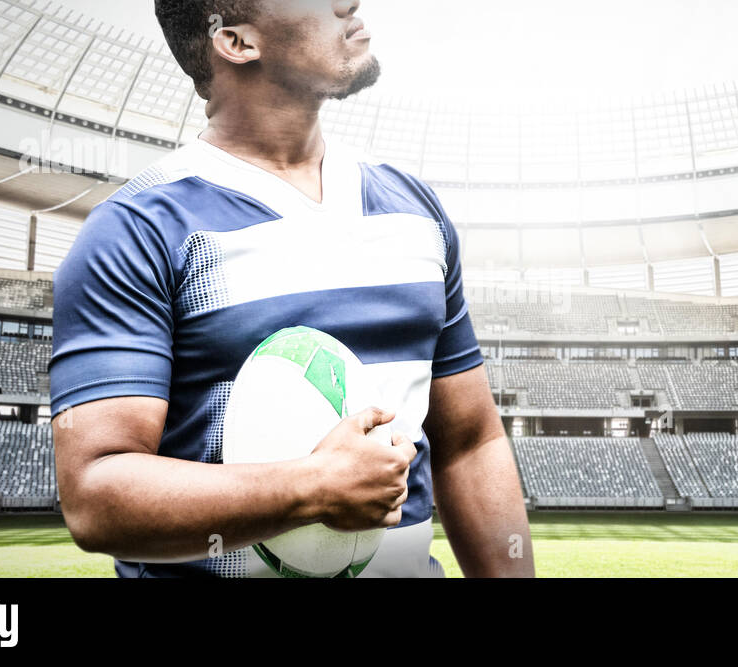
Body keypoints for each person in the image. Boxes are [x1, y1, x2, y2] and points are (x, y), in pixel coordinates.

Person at [49, 0, 532, 578]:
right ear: (237, 42)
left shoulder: (414, 208)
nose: (348, 3)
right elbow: (96, 497)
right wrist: (310, 488)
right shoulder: (138, 228)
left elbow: (470, 443)